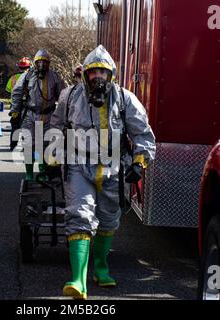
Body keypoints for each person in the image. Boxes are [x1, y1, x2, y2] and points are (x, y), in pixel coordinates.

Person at [50, 45, 156, 300]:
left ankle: (101, 268)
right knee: (80, 216)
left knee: (108, 220)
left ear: (111, 75)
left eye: (102, 72)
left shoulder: (125, 98)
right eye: (93, 72)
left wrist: (139, 162)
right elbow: (56, 126)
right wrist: (52, 155)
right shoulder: (69, 96)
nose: (98, 77)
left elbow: (142, 133)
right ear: (85, 74)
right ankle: (78, 280)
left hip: (113, 167)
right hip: (77, 165)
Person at [9, 49, 65, 181]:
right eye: (39, 62)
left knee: (45, 145)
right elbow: (16, 92)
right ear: (35, 63)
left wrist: (63, 115)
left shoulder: (55, 77)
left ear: (49, 64)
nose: (42, 65)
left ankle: (43, 172)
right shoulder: (27, 75)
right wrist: (15, 109)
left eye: (45, 62)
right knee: (29, 144)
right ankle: (29, 173)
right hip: (30, 115)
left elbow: (63, 97)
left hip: (48, 115)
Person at [6, 57, 31, 150]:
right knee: (26, 127)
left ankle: (13, 145)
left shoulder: (12, 78)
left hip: (14, 105)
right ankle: (25, 147)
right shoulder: (31, 78)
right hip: (26, 105)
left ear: (19, 67)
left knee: (15, 126)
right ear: (28, 67)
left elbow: (8, 90)